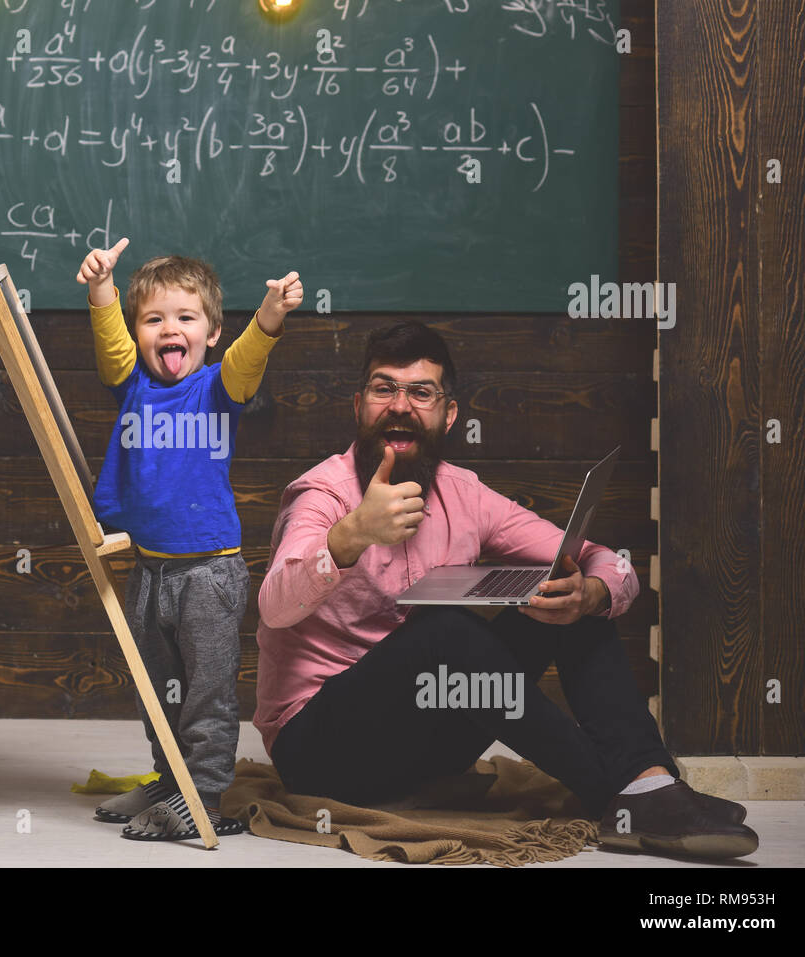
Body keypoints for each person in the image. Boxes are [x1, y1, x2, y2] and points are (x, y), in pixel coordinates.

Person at [252, 320, 758, 860]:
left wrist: (593, 592)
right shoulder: (323, 494)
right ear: (359, 406)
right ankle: (619, 796)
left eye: (420, 392)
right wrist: (350, 536)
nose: (400, 406)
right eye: (384, 389)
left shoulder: (464, 494)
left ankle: (650, 781)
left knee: (568, 593)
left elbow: (604, 560)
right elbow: (274, 606)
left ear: (448, 415)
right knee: (445, 631)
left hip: (424, 747)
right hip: (322, 752)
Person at [77, 237, 303, 841]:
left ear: (210, 334)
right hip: (149, 570)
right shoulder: (132, 386)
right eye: (153, 319)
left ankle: (201, 794)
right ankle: (169, 778)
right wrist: (102, 287)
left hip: (208, 573)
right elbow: (110, 346)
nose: (168, 329)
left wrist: (271, 316)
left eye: (184, 318)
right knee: (157, 692)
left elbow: (248, 358)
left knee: (206, 693)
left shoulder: (215, 389)